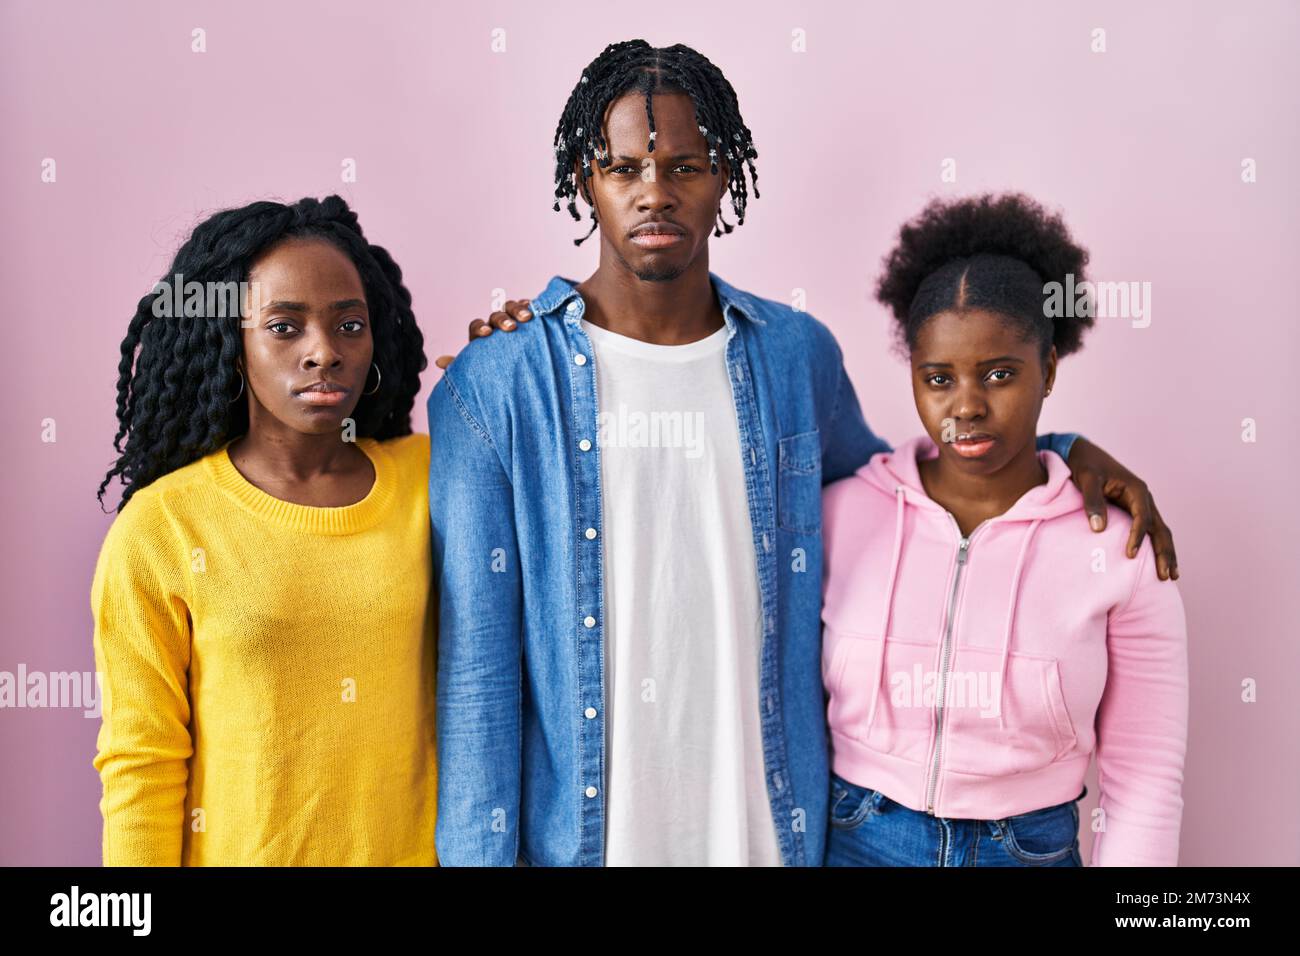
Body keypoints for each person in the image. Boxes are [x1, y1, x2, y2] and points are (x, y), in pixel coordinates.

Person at [429, 40, 1177, 867]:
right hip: (587, 841)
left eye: (686, 166)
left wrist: (1060, 450)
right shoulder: (494, 387)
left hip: (776, 837)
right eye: (623, 168)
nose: (655, 193)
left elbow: (911, 488)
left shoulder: (795, 356)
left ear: (727, 177)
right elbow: (477, 684)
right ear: (584, 180)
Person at [821, 193, 1188, 866]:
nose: (966, 405)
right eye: (939, 378)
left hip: (1027, 848)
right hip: (856, 838)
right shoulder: (841, 515)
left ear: (1048, 369)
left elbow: (1145, 783)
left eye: (999, 374)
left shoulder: (1120, 545)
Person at [91, 195, 437, 865]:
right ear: (231, 340)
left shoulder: (434, 481)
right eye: (284, 327)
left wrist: (514, 350)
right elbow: (142, 764)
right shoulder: (162, 528)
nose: (324, 353)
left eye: (349, 325)